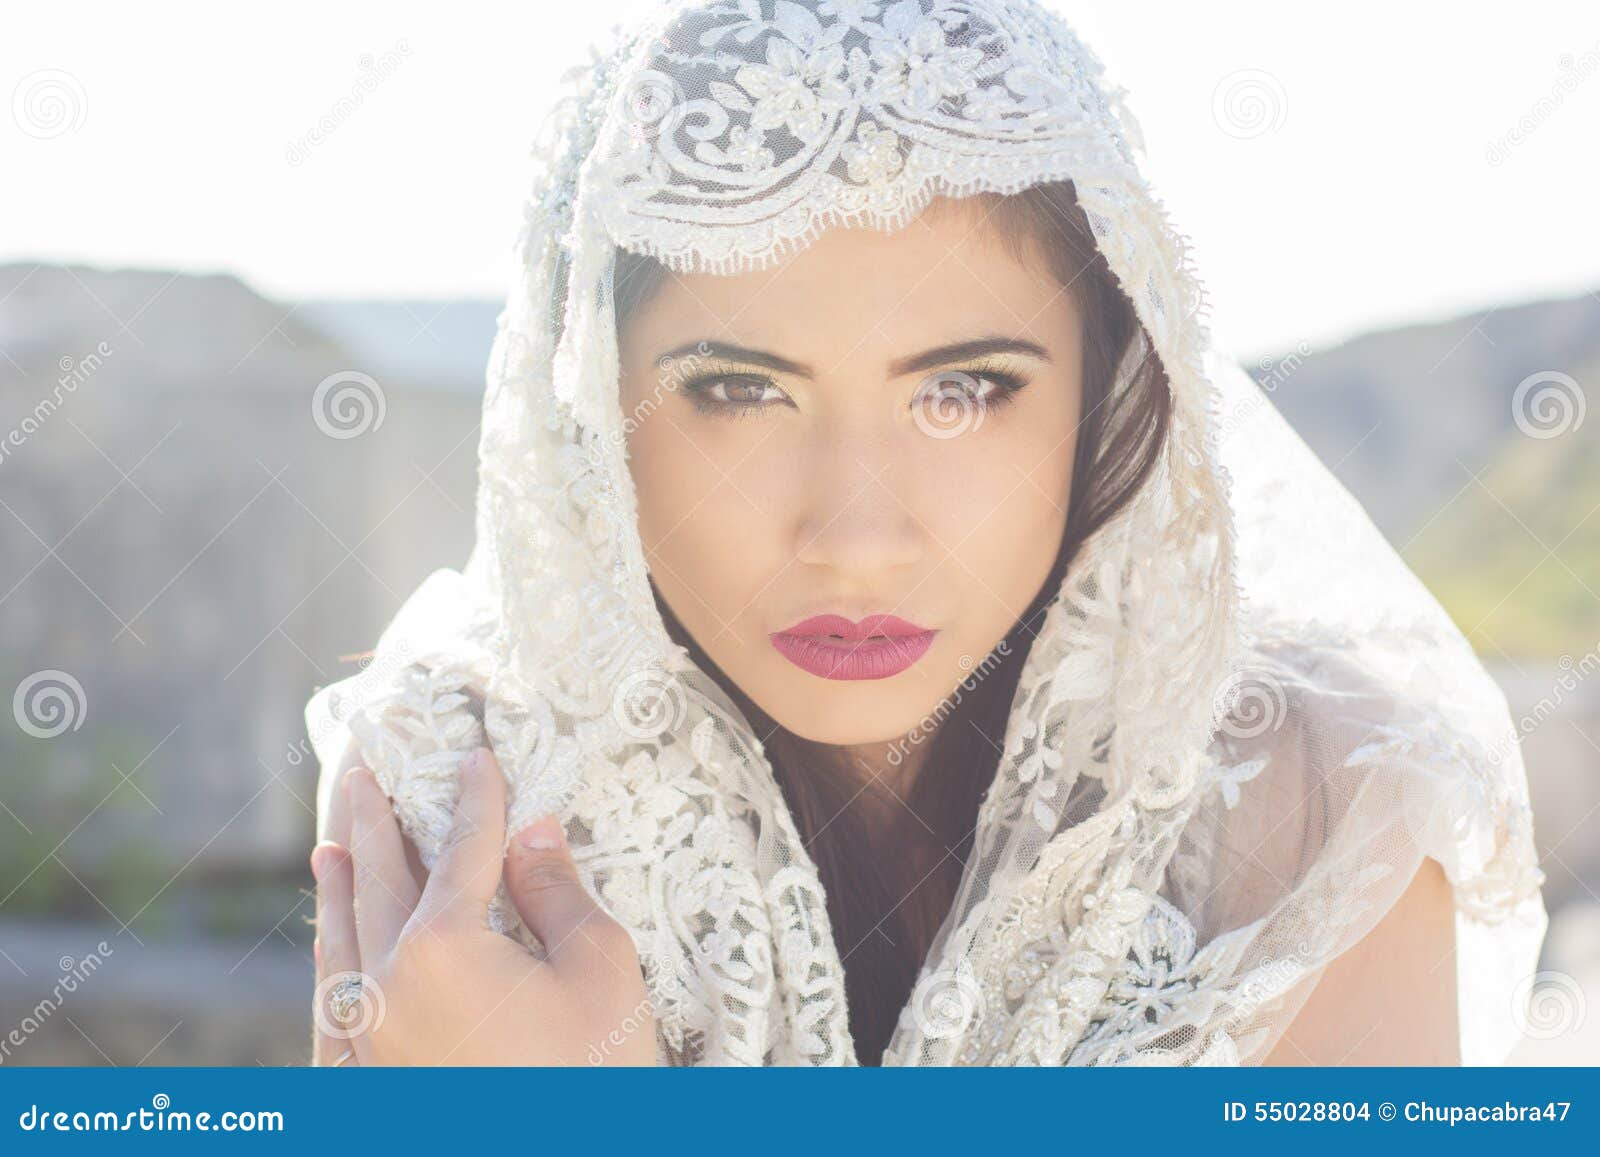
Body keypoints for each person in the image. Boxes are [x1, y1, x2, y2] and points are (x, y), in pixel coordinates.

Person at [304, 0, 1547, 1067]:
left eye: (962, 390)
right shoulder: (455, 788)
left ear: (1105, 390)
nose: (856, 537)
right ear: (589, 405)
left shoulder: (1311, 791)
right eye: (738, 391)